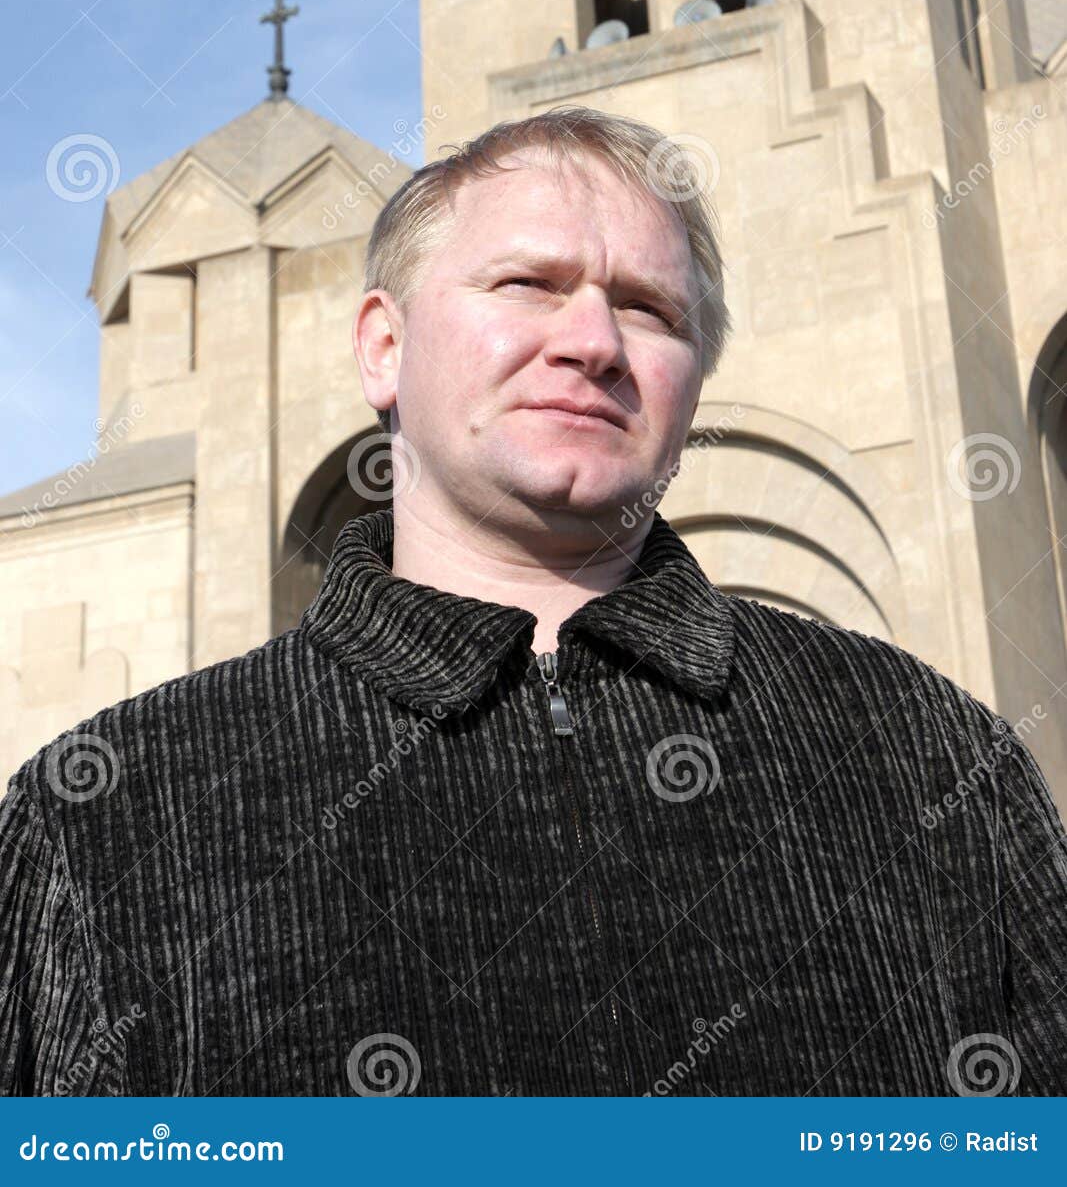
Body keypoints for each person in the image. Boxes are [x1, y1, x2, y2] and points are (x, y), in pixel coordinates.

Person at [2, 105, 1066, 1097]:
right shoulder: (115, 813)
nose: (592, 343)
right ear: (383, 343)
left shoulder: (917, 755)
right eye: (526, 284)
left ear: (694, 380)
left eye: (649, 308)